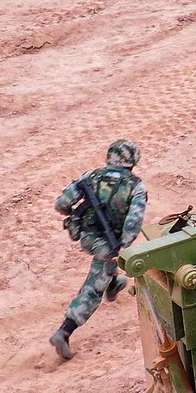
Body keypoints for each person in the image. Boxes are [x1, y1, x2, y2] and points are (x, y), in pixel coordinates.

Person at [50, 139, 147, 360]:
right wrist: (122, 246)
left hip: (86, 237)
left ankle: (112, 283)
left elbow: (61, 203)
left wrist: (75, 214)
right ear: (133, 161)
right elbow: (134, 222)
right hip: (109, 245)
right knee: (94, 287)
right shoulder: (136, 186)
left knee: (106, 269)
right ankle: (64, 331)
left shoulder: (91, 177)